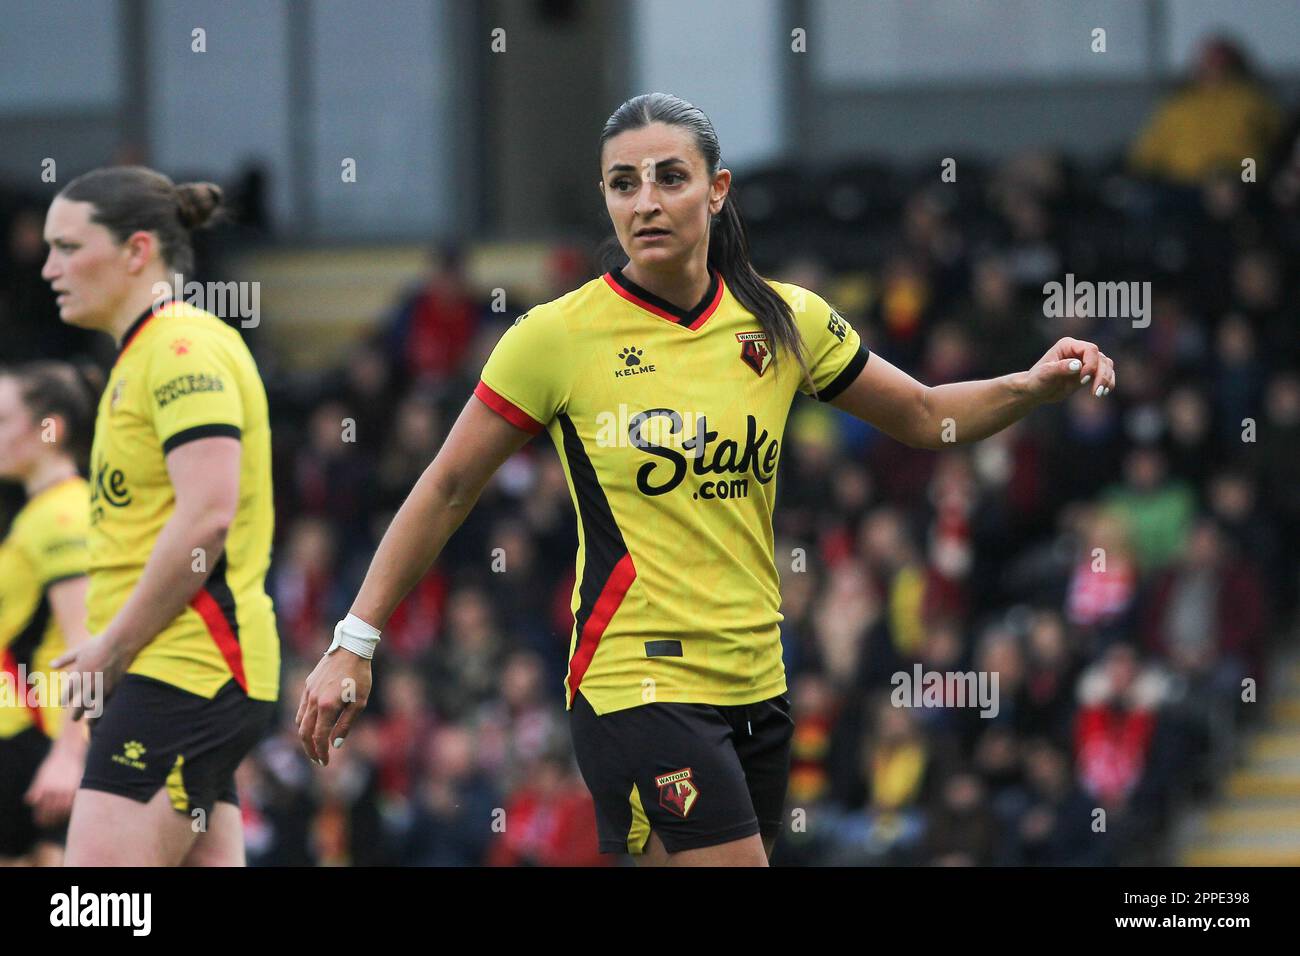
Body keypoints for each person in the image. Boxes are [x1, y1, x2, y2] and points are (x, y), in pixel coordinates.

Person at [297, 92, 1116, 867]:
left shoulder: (784, 320)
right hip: (635, 679)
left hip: (757, 678)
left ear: (717, 190)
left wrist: (1029, 384)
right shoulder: (555, 337)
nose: (645, 201)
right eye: (624, 184)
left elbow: (927, 414)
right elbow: (444, 488)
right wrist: (354, 641)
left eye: (669, 177)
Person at [41, 166, 279, 866]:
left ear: (137, 250)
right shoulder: (143, 354)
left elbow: (207, 517)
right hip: (177, 672)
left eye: (68, 246)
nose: (49, 266)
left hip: (188, 668)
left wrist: (109, 646)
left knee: (98, 913)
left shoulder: (180, 349)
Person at [0, 362, 93, 866]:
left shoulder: (63, 516)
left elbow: (85, 644)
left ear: (49, 429)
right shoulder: (35, 515)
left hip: (37, 744)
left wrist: (66, 755)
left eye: (2, 420)